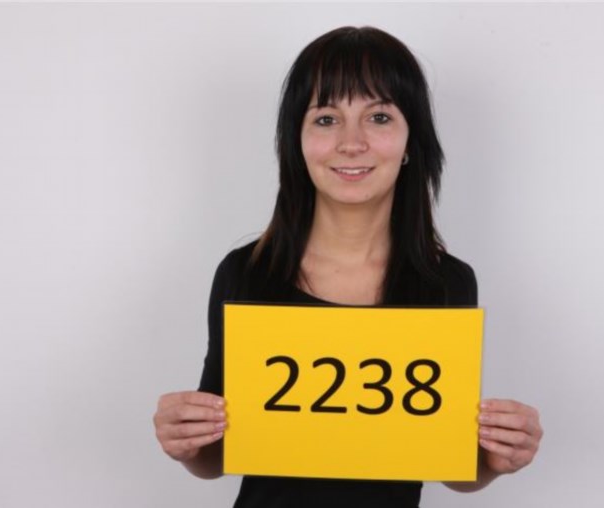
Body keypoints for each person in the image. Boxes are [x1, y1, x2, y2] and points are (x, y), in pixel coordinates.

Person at [153, 26, 543, 507]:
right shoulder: (247, 271)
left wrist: (496, 458)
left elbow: (449, 461)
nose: (352, 143)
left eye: (379, 117)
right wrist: (186, 440)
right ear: (297, 139)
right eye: (326, 119)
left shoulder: (445, 282)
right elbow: (216, 454)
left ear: (411, 140)